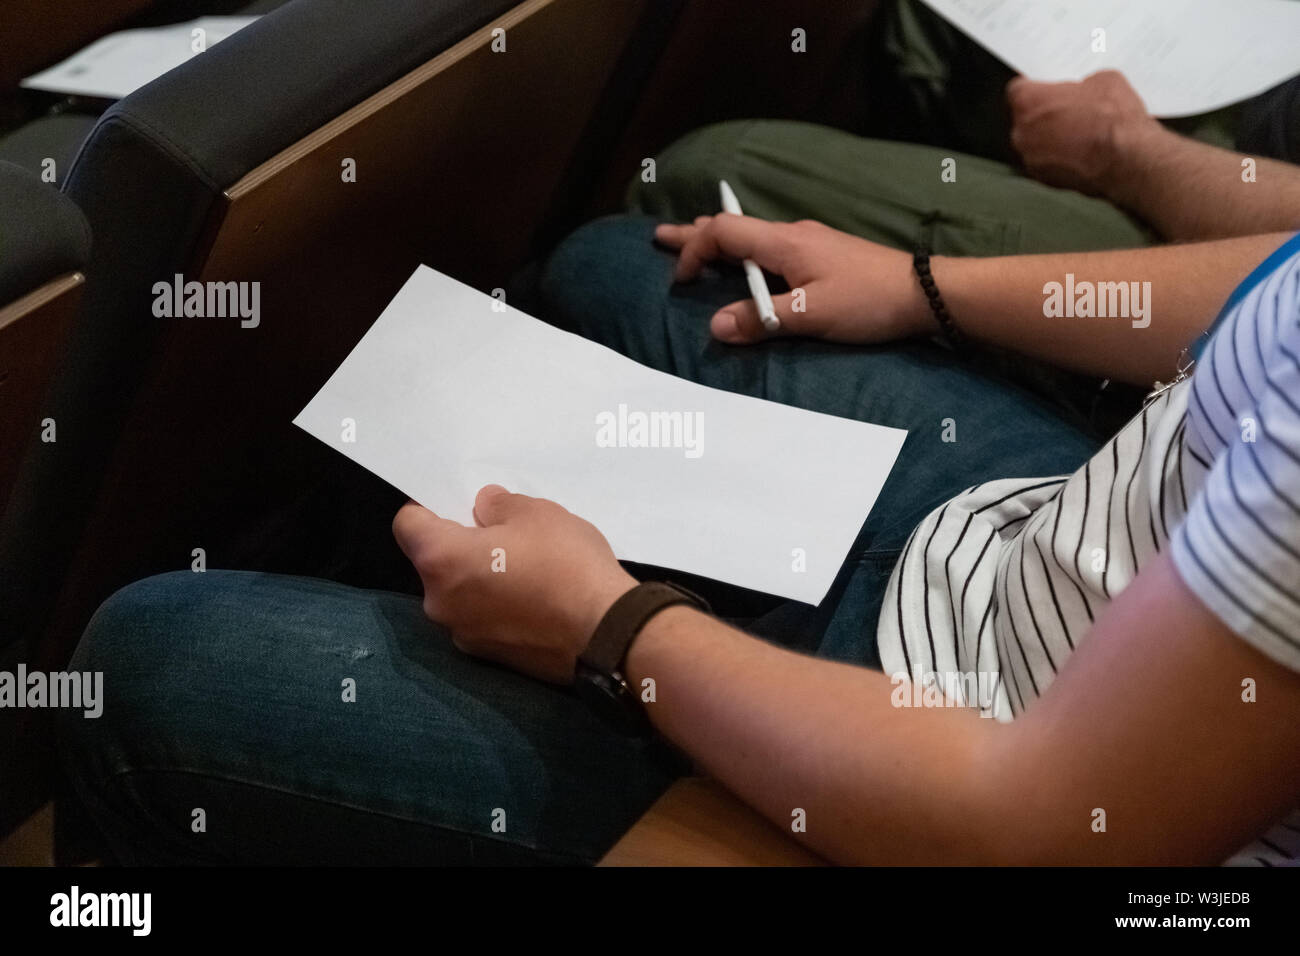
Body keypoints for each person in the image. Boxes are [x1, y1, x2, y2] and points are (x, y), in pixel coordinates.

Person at [60, 70, 1300, 865]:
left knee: (143, 660)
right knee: (624, 263)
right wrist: (920, 288)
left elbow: (1033, 824)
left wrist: (614, 627)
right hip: (1036, 537)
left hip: (955, 757)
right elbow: (1272, 275)